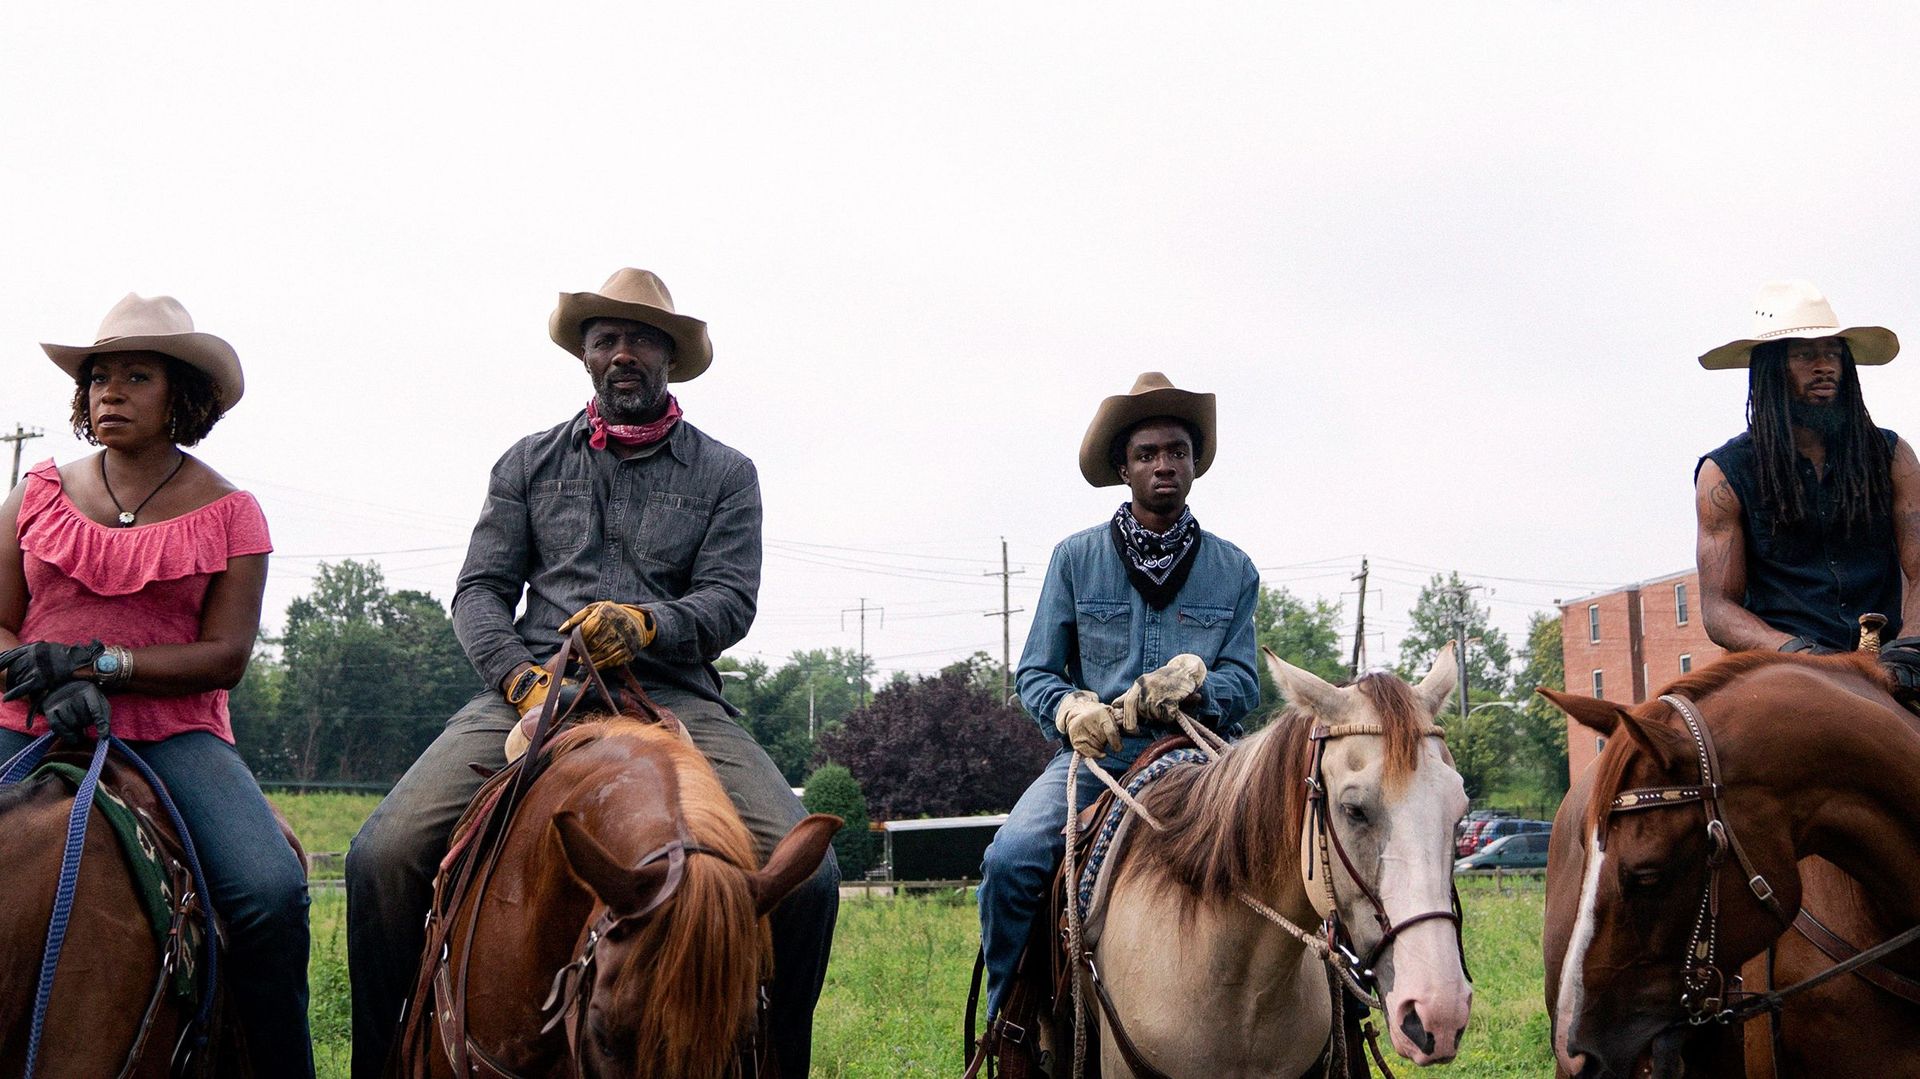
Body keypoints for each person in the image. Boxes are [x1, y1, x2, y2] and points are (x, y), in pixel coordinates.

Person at [345, 268, 839, 1078]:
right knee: (381, 854)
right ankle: (384, 1060)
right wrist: (518, 680)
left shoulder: (726, 473)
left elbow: (730, 600)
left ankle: (777, 1060)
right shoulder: (527, 463)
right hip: (540, 684)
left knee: (808, 877)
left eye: (641, 338)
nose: (622, 353)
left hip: (673, 690)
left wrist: (649, 622)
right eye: (606, 337)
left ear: (669, 357)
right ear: (584, 356)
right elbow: (479, 592)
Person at [0, 293, 312, 1075]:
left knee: (269, 889)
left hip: (171, 733)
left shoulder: (232, 514)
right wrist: (37, 676)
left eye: (136, 376)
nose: (110, 391)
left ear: (184, 395)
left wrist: (99, 665)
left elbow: (226, 654)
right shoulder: (34, 493)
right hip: (25, 714)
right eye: (100, 376)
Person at [976, 371, 1261, 1024]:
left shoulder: (1235, 569)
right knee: (1011, 859)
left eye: (1177, 452)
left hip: (1206, 756)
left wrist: (1198, 687)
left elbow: (1244, 681)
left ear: (1194, 464)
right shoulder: (1075, 559)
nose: (1165, 464)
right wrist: (1072, 709)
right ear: (1124, 468)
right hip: (1098, 758)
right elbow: (1036, 673)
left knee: (1302, 851)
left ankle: (1340, 1028)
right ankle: (1011, 1028)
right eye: (1148, 454)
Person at [1694, 279, 1920, 687]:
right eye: (1804, 355)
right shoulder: (1724, 474)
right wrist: (1796, 652)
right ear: (1770, 369)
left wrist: (1906, 651)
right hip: (1784, 672)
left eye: (1833, 352)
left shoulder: (1893, 457)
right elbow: (1718, 608)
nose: (1825, 366)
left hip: (1894, 666)